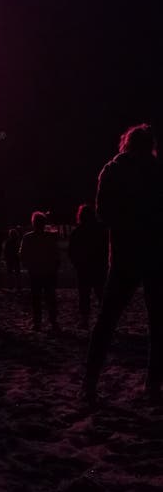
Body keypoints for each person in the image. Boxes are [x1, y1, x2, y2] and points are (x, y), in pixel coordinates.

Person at [83, 124, 163, 404]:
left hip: (124, 254)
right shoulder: (156, 171)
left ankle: (90, 383)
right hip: (155, 253)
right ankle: (153, 383)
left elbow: (103, 213)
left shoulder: (112, 169)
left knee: (106, 321)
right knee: (157, 323)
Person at [19, 212, 60, 333]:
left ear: (33, 223)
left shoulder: (28, 237)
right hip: (49, 271)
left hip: (35, 271)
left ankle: (38, 323)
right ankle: (53, 322)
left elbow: (22, 255)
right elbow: (56, 254)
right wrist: (55, 266)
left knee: (36, 298)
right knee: (50, 298)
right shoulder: (50, 237)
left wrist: (28, 265)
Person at [69, 204, 108, 329]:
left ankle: (85, 320)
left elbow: (72, 251)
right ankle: (104, 320)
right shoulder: (102, 229)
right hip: (99, 267)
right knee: (101, 295)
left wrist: (77, 264)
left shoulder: (77, 231)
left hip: (84, 268)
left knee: (84, 296)